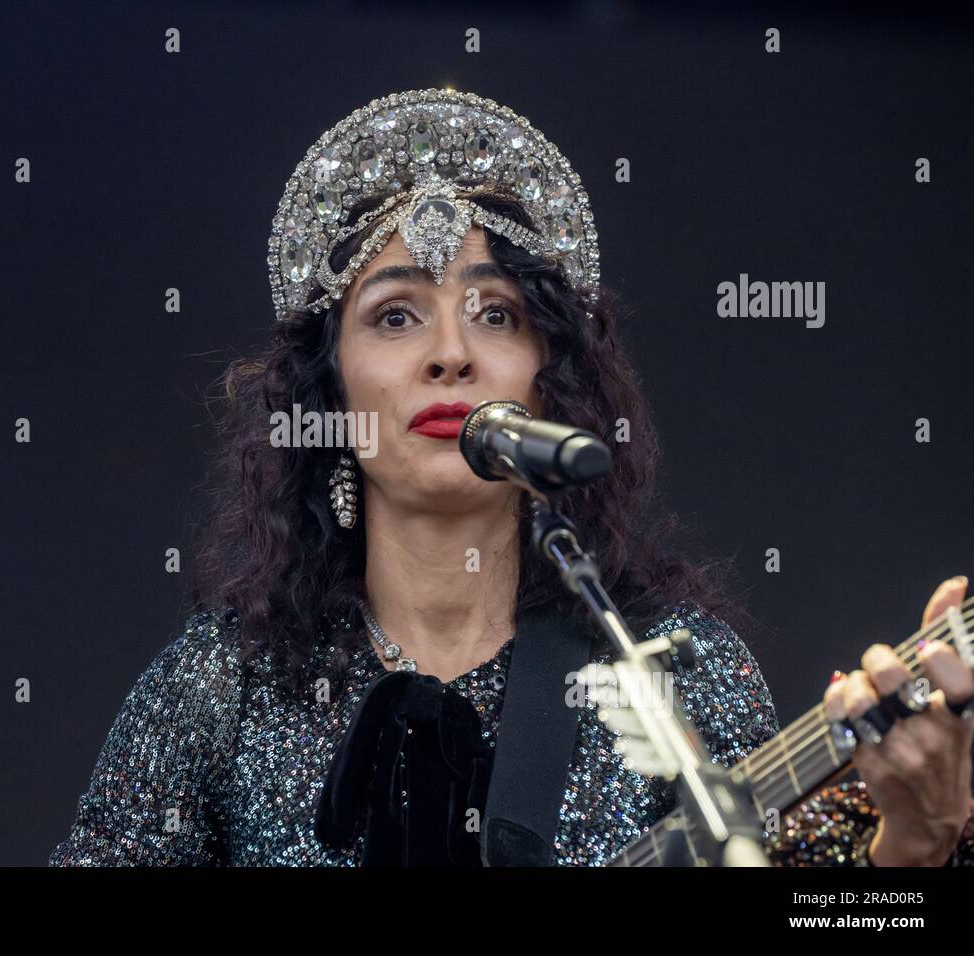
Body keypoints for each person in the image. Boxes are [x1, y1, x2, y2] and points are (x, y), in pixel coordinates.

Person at [49, 88, 974, 867]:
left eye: (496, 314)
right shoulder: (221, 689)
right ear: (330, 386)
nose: (451, 354)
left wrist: (916, 844)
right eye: (397, 316)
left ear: (551, 374)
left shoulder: (672, 677)